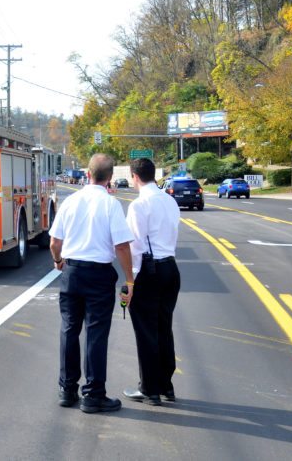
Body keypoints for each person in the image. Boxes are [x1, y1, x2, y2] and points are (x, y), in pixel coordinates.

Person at [49, 153, 135, 414]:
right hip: (99, 275)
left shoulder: (71, 201)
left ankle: (67, 389)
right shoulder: (111, 205)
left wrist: (58, 261)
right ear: (110, 178)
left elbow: (54, 243)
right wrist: (129, 278)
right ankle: (93, 395)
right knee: (95, 334)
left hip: (72, 272)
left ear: (87, 173)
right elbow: (121, 245)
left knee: (69, 330)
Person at [122, 158, 181, 406]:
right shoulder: (170, 200)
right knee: (163, 327)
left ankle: (149, 389)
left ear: (135, 176)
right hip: (170, 267)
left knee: (146, 331)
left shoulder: (139, 205)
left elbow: (134, 246)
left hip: (149, 269)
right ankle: (166, 385)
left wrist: (130, 281)